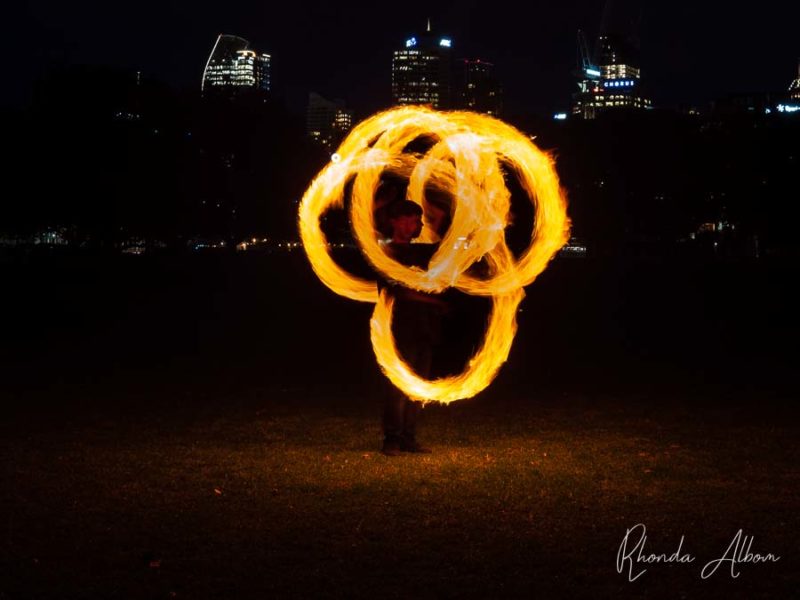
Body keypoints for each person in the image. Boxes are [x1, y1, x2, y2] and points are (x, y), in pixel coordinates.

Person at [377, 200, 449, 456]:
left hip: (424, 329)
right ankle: (392, 440)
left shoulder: (418, 252)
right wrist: (434, 301)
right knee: (398, 387)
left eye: (416, 221)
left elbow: (443, 249)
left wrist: (437, 217)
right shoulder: (385, 253)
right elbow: (402, 292)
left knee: (416, 387)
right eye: (408, 220)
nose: (413, 225)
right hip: (400, 329)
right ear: (394, 222)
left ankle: (409, 438)